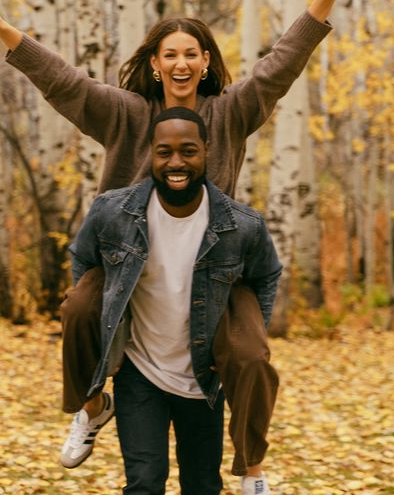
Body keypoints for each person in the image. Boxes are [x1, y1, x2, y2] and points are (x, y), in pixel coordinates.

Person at [0, 0, 367, 492]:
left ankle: (250, 468)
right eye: (169, 54)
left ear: (205, 63)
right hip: (129, 259)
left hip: (215, 263)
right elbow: (62, 81)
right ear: (155, 63)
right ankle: (91, 403)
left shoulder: (231, 113)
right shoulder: (124, 114)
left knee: (251, 353)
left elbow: (283, 63)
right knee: (78, 306)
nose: (180, 62)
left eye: (191, 54)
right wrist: (2, 27)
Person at [68, 107, 282, 494]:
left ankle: (252, 468)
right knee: (145, 483)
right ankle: (91, 408)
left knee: (201, 485)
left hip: (203, 375)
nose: (176, 162)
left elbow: (266, 276)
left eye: (188, 151)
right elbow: (83, 259)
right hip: (139, 369)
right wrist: (102, 319)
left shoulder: (242, 226)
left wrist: (243, 338)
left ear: (207, 151)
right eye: (164, 152)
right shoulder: (112, 212)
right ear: (150, 152)